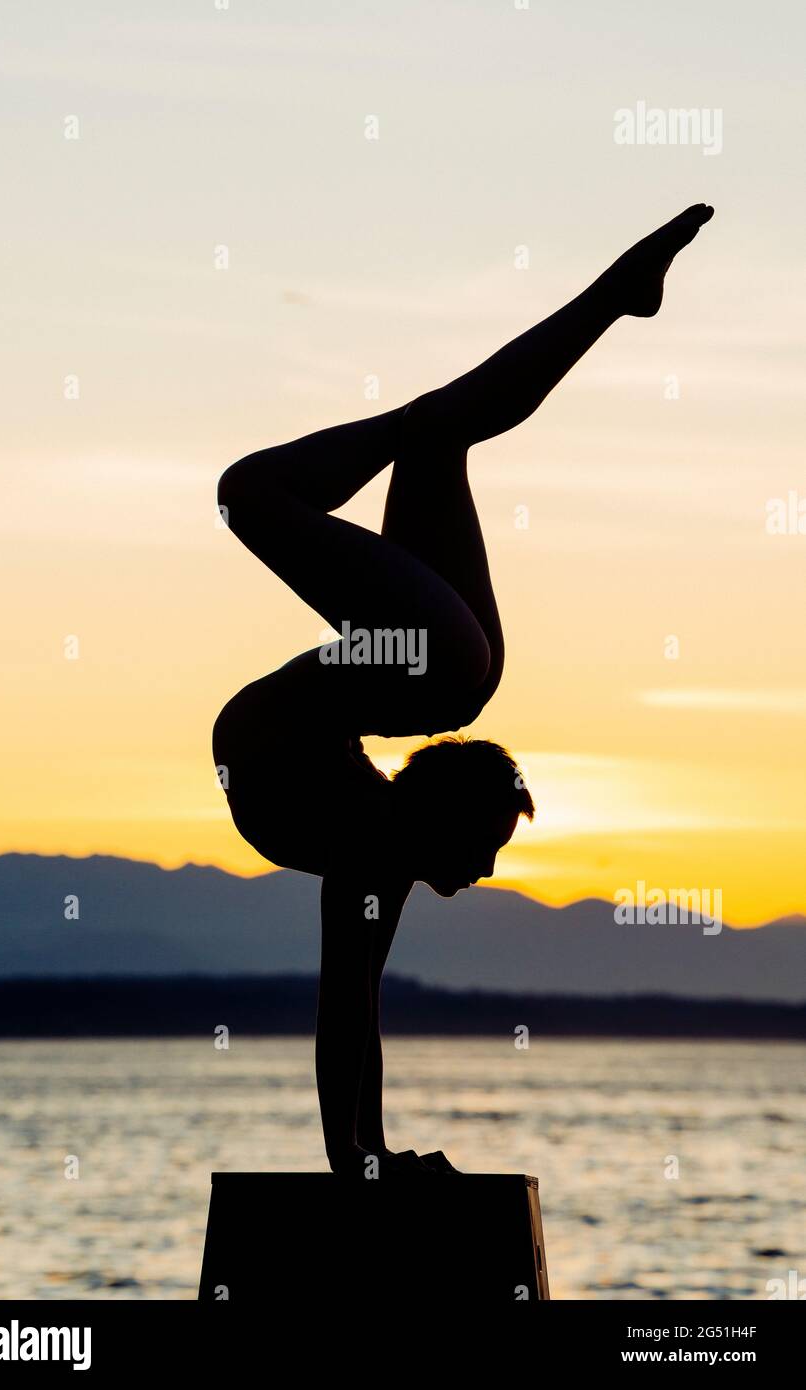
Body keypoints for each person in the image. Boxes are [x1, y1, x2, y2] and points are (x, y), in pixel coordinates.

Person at [213, 204, 714, 1175]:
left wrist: (365, 1155)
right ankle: (607, 300)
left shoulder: (375, 841)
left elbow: (350, 1004)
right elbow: (347, 1002)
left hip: (429, 672)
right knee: (259, 488)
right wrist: (357, 1159)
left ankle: (615, 296)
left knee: (431, 435)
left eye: (484, 849)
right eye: (486, 844)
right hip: (419, 668)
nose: (484, 872)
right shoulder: (378, 834)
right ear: (436, 810)